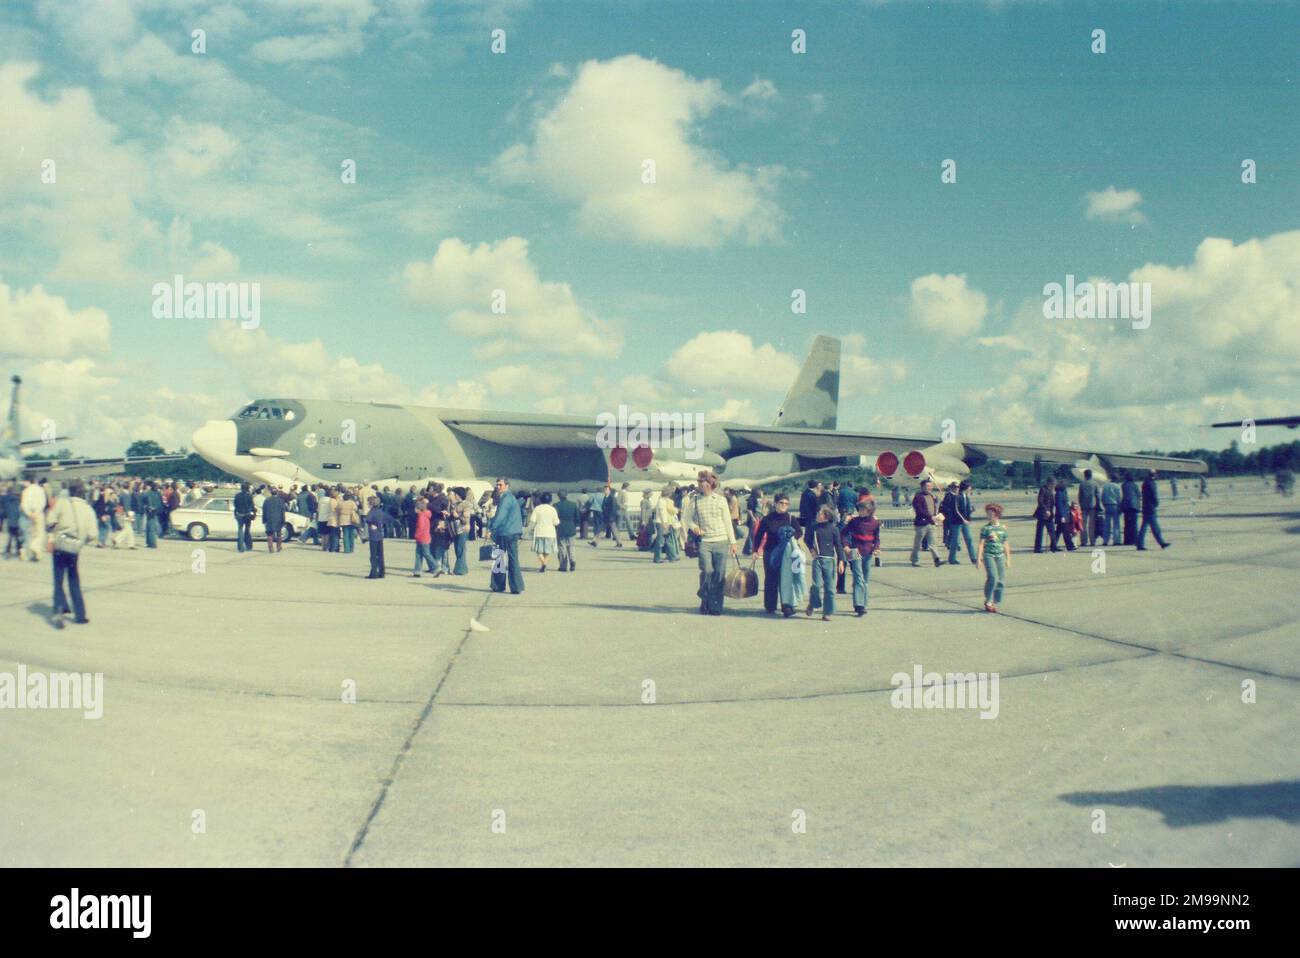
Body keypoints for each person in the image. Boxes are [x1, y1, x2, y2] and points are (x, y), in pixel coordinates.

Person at [682, 470, 737, 616]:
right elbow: (687, 518)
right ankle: (705, 597)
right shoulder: (695, 501)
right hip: (704, 542)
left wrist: (733, 542)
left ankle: (715, 606)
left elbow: (727, 521)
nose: (699, 484)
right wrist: (694, 527)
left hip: (721, 540)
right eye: (699, 481)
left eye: (702, 481)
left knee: (719, 574)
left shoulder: (720, 500)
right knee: (707, 571)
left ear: (710, 483)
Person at [45, 480, 95, 627]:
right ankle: (80, 615)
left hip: (60, 545)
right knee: (74, 580)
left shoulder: (62, 503)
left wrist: (54, 528)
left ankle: (60, 608)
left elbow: (50, 520)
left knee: (58, 578)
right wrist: (81, 541)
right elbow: (93, 534)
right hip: (74, 548)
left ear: (70, 491)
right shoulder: (88, 509)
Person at [752, 492, 801, 616]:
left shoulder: (791, 518)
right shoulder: (767, 519)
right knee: (771, 579)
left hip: (786, 553)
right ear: (775, 504)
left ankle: (786, 606)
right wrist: (755, 551)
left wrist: (790, 535)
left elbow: (799, 532)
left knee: (786, 579)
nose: (784, 505)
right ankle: (770, 606)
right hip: (770, 552)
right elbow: (758, 535)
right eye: (781, 503)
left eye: (786, 503)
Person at [842, 494, 882, 616]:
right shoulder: (854, 521)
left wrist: (876, 548)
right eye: (859, 509)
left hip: (868, 552)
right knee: (859, 578)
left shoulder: (875, 523)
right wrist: (846, 546)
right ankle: (860, 606)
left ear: (869, 511)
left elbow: (877, 539)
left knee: (865, 579)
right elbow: (843, 533)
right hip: (856, 552)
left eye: (862, 509)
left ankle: (862, 603)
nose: (859, 511)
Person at [805, 505, 847, 621]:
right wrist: (811, 549)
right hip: (817, 560)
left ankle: (827, 612)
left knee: (829, 588)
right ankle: (813, 603)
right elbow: (807, 539)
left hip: (829, 560)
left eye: (820, 513)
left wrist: (841, 561)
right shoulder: (814, 527)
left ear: (826, 516)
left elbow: (839, 546)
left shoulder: (834, 529)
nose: (818, 515)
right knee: (816, 585)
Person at [487, 477, 525, 594]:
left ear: (507, 486)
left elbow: (500, 516)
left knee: (499, 558)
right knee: (513, 559)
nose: (498, 487)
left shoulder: (505, 498)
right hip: (513, 532)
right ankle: (516, 586)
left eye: (500, 485)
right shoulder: (512, 498)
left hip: (504, 532)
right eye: (497, 485)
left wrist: (490, 528)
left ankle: (498, 585)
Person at [976, 502, 1011, 613]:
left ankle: (995, 600)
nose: (988, 516)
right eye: (988, 514)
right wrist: (978, 559)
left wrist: (1008, 558)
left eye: (990, 514)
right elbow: (981, 544)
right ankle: (988, 601)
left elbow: (1005, 543)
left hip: (1000, 555)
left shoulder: (1003, 528)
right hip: (988, 555)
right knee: (993, 578)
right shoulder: (985, 528)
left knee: (1000, 581)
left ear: (997, 514)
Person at [909, 480, 944, 567]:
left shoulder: (932, 496)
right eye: (927, 486)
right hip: (921, 523)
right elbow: (919, 509)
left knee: (933, 543)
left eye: (930, 486)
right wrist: (929, 516)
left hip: (931, 522)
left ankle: (937, 560)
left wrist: (936, 516)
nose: (929, 488)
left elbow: (933, 508)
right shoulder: (918, 497)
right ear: (922, 487)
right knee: (918, 543)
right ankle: (914, 560)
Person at [1137, 470, 1170, 550]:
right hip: (1150, 507)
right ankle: (1141, 544)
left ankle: (1161, 542)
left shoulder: (1145, 483)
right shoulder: (1151, 483)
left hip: (1146, 506)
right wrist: (1156, 503)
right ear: (1154, 475)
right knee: (1150, 527)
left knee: (1151, 526)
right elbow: (1153, 494)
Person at [529, 492, 560, 572]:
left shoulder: (537, 508)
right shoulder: (553, 509)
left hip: (539, 531)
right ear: (550, 500)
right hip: (550, 532)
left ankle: (543, 563)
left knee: (538, 550)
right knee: (548, 551)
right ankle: (544, 563)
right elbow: (556, 522)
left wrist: (530, 530)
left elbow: (533, 520)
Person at [20, 478, 48, 561]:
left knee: (31, 533)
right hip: (39, 513)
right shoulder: (40, 490)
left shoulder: (26, 491)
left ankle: (28, 552)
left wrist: (29, 513)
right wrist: (37, 512)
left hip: (29, 515)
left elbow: (24, 504)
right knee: (40, 533)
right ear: (35, 481)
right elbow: (43, 502)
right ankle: (36, 549)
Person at [363, 496, 391, 578]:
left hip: (373, 536)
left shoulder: (371, 512)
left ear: (371, 504)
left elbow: (368, 520)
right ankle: (382, 572)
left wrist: (372, 525)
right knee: (380, 555)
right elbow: (388, 519)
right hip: (380, 535)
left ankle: (374, 573)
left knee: (373, 555)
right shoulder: (380, 512)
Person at [652, 485, 680, 564]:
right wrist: (664, 523)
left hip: (665, 522)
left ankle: (672, 556)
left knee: (668, 540)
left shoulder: (663, 500)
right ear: (668, 493)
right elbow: (662, 513)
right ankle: (657, 558)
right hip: (662, 523)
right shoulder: (661, 501)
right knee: (660, 541)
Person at [554, 491, 580, 572]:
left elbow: (554, 519)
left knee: (562, 548)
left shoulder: (556, 505)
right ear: (567, 495)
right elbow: (577, 517)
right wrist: (574, 525)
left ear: (558, 496)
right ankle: (572, 560)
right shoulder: (573, 504)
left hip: (560, 529)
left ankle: (563, 566)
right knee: (571, 547)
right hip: (571, 528)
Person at [451, 488, 472, 575]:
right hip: (456, 529)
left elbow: (465, 519)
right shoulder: (456, 504)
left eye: (455, 494)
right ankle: (463, 568)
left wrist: (457, 516)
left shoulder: (466, 504)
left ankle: (459, 570)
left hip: (463, 529)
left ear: (459, 495)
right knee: (457, 548)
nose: (454, 495)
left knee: (461, 548)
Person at [1078, 469, 1101, 548]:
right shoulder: (1095, 483)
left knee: (1083, 524)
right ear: (1091, 475)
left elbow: (1080, 495)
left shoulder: (1082, 483)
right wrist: (1098, 505)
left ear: (1085, 475)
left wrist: (1080, 504)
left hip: (1084, 506)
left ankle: (1083, 541)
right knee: (1092, 525)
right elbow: (1097, 495)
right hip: (1092, 506)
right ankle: (1092, 541)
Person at [1052, 480, 1075, 552]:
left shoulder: (1064, 492)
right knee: (1066, 531)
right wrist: (1062, 516)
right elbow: (1059, 505)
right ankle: (1070, 546)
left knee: (1058, 531)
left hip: (1065, 514)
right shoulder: (1059, 493)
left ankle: (1053, 545)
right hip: (1062, 515)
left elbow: (1065, 504)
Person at [1032, 478, 1055, 553]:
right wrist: (1046, 510)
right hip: (1042, 514)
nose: (1053, 485)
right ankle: (1037, 548)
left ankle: (1053, 546)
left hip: (1049, 514)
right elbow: (1040, 501)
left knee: (1051, 531)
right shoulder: (1043, 489)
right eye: (1052, 483)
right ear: (1048, 483)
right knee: (1040, 532)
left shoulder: (1050, 490)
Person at [1100, 474, 1123, 546]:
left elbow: (1102, 497)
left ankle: (1105, 540)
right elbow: (1119, 497)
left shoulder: (1105, 486)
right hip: (1115, 505)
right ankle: (1116, 540)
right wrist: (1120, 506)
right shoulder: (1117, 486)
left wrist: (1104, 505)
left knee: (1107, 524)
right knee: (1116, 524)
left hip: (1107, 505)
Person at [233, 482, 255, 553]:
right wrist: (253, 512)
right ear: (247, 488)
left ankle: (240, 547)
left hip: (239, 514)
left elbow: (235, 505)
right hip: (247, 514)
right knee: (247, 530)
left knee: (240, 530)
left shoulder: (237, 495)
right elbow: (252, 506)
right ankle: (248, 546)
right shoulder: (249, 496)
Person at [262, 488, 286, 553]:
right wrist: (284, 521)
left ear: (271, 493)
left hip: (269, 519)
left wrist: (264, 520)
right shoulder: (281, 500)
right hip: (278, 519)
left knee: (269, 534)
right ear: (277, 493)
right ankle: (278, 547)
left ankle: (271, 548)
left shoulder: (266, 500)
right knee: (279, 534)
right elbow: (283, 511)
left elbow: (264, 511)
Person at [1120, 472, 1141, 546]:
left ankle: (1127, 540)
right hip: (1134, 506)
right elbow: (1139, 494)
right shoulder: (1135, 485)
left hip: (1126, 506)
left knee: (1127, 524)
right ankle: (1134, 540)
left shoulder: (1123, 485)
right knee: (1134, 524)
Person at [799, 480, 821, 546]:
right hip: (811, 515)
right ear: (816, 486)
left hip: (805, 515)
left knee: (807, 531)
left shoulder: (805, 493)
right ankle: (809, 545)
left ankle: (807, 544)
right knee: (810, 532)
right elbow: (816, 507)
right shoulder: (812, 495)